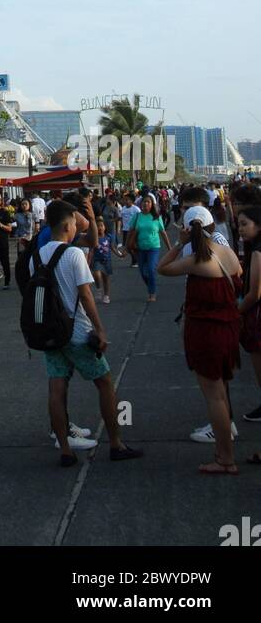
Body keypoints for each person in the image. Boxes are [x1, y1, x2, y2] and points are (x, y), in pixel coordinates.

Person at [35, 200, 142, 467]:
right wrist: (100, 328)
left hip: (49, 332)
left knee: (56, 388)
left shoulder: (36, 256)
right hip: (77, 331)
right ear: (67, 225)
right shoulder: (73, 255)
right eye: (73, 224)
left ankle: (65, 450)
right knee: (105, 382)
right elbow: (85, 295)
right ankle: (116, 443)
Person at [158, 206, 243, 473]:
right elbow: (239, 278)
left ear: (187, 229)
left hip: (205, 332)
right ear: (213, 228)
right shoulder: (228, 254)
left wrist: (179, 244)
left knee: (215, 397)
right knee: (222, 392)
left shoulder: (196, 260)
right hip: (229, 328)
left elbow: (163, 267)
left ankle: (225, 459)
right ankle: (223, 453)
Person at [236, 207, 261, 438]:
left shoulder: (257, 253)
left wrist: (236, 313)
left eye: (245, 223)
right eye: (239, 224)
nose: (241, 228)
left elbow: (254, 293)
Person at [127, 194, 171, 302]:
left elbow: (163, 232)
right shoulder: (137, 216)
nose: (145, 204)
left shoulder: (156, 217)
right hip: (140, 248)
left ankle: (152, 293)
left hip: (153, 248)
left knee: (151, 270)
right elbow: (130, 231)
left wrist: (170, 248)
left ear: (152, 204)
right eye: (144, 202)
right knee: (143, 272)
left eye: (148, 202)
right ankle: (152, 285)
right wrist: (126, 245)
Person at [91, 216, 114, 304]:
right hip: (97, 260)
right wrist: (88, 261)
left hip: (106, 261)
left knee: (106, 279)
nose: (100, 228)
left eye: (101, 225)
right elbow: (91, 250)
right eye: (97, 226)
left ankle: (106, 295)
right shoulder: (94, 238)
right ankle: (98, 289)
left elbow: (113, 247)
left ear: (105, 227)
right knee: (96, 275)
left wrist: (120, 254)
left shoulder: (108, 237)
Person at [120, 193, 140, 265]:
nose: (125, 201)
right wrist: (121, 227)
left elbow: (139, 219)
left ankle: (136, 260)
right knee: (128, 246)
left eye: (127, 199)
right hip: (125, 230)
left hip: (133, 230)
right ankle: (136, 260)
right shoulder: (123, 208)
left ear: (132, 201)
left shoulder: (136, 209)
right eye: (124, 199)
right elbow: (121, 218)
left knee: (131, 246)